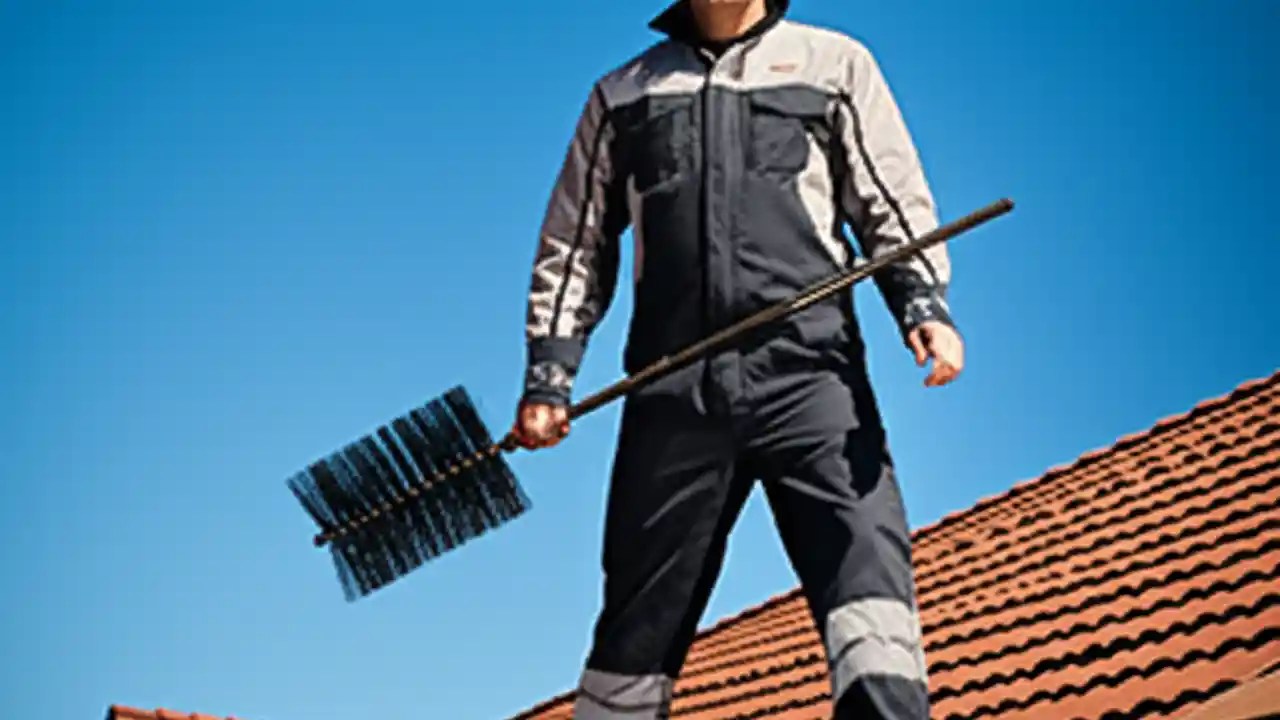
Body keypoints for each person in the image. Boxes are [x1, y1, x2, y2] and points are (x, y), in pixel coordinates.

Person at [512, 1, 963, 717]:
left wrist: (923, 303)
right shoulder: (622, 95)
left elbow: (888, 197)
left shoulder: (835, 65)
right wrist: (549, 375)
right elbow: (576, 243)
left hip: (810, 378)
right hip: (672, 395)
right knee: (633, 630)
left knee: (867, 581)